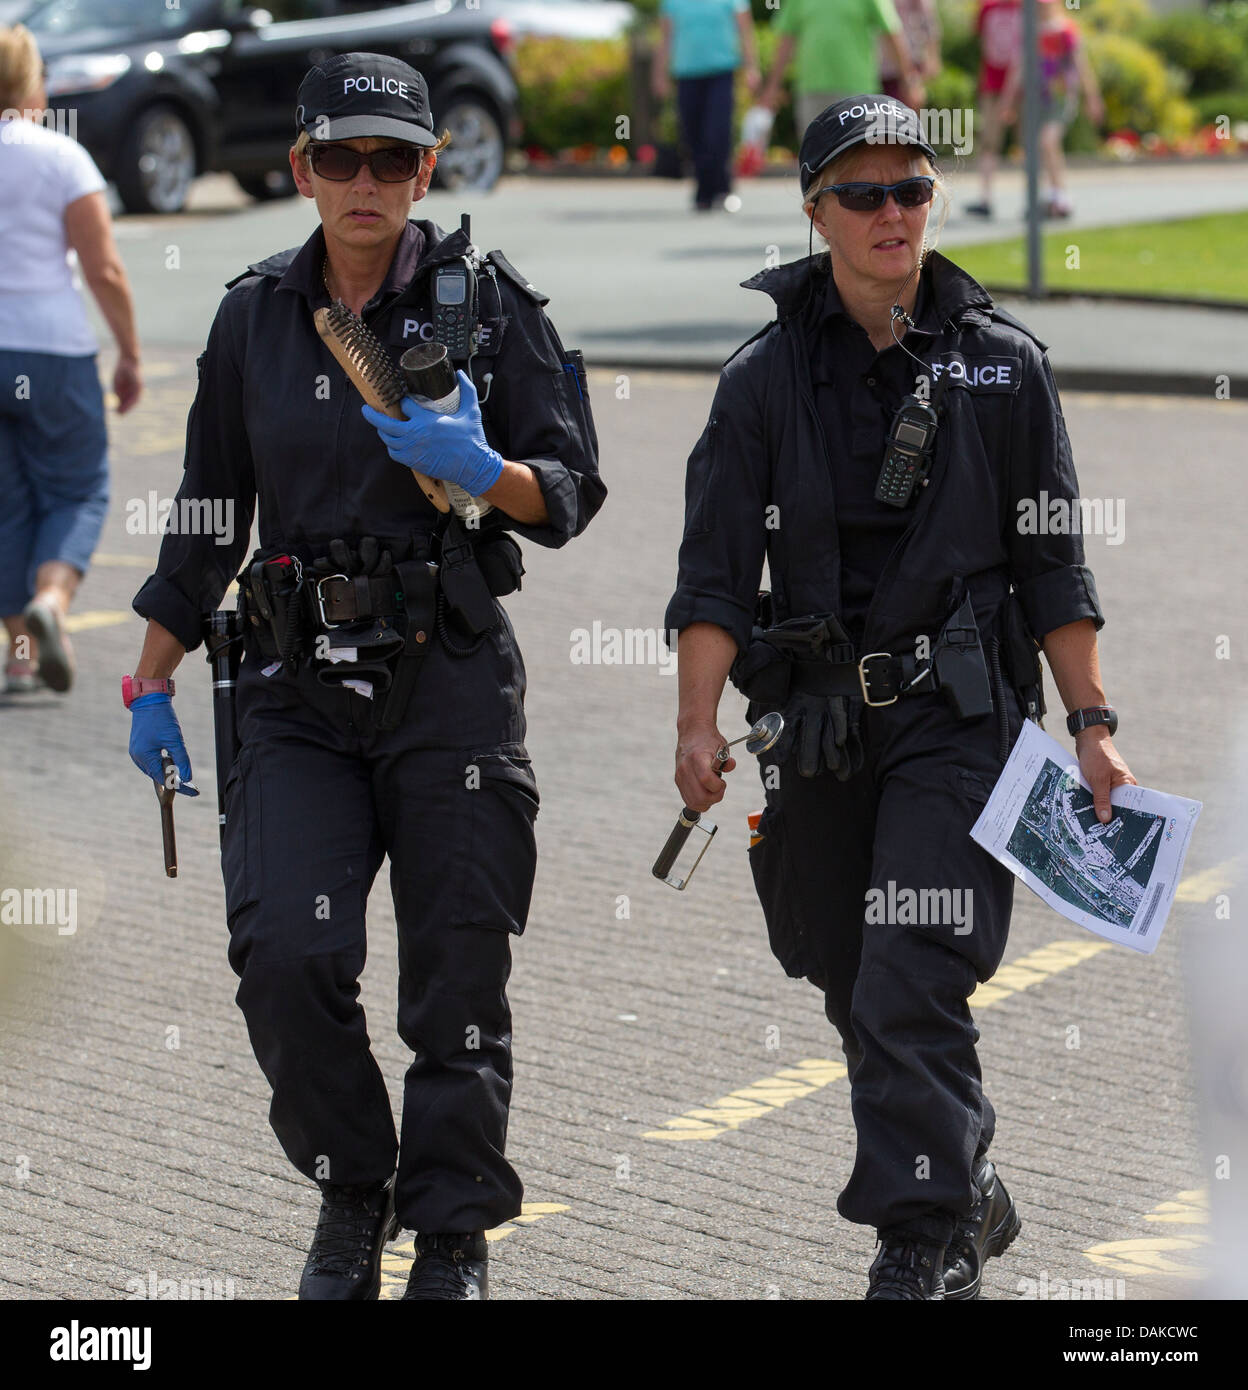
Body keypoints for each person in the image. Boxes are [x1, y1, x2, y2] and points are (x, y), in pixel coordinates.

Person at [126, 52, 604, 1301]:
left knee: (456, 974)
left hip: (444, 672)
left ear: (426, 170)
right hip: (291, 687)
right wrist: (148, 676)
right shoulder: (251, 319)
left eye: (394, 159)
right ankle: (355, 1183)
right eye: (339, 157)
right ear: (299, 169)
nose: (366, 182)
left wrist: (484, 466)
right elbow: (210, 506)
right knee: (284, 955)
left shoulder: (487, 308)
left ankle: (451, 1233)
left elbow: (569, 490)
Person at [665, 95, 1135, 1299]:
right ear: (815, 209)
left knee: (909, 966)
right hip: (816, 724)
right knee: (844, 970)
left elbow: (1053, 563)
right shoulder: (762, 380)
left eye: (912, 189)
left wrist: (1091, 725)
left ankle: (921, 1239)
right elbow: (714, 574)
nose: (891, 213)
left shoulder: (1005, 366)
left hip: (961, 722)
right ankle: (965, 1175)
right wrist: (693, 727)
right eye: (863, 192)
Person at [0, 24, 141, 695]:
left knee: (6, 505)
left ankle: (21, 656)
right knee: (76, 488)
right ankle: (51, 603)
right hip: (52, 348)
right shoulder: (60, 157)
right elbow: (104, 268)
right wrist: (130, 355)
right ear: (33, 86)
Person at [652, 0, 760, 212]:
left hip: (721, 73)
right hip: (686, 75)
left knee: (717, 131)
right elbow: (665, 37)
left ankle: (723, 189)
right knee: (691, 133)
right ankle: (703, 190)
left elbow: (745, 30)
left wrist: (751, 67)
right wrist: (659, 73)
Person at [999, 0, 1103, 218]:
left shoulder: (1065, 31)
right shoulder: (1029, 33)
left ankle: (1060, 195)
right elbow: (1018, 67)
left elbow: (1080, 65)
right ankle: (1042, 197)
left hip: (1060, 97)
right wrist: (1007, 100)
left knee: (1048, 141)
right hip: (1034, 100)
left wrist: (1092, 98)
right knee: (1032, 150)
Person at [758, 0, 924, 135]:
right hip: (811, 91)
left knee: (859, 160)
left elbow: (891, 33)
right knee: (815, 162)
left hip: (857, 92)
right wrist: (772, 87)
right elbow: (787, 40)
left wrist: (909, 81)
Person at [964, 0, 1021, 218]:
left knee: (1029, 144)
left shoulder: (1029, 7)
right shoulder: (987, 8)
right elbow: (984, 45)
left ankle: (1037, 198)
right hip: (993, 85)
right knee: (989, 141)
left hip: (1024, 88)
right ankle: (985, 199)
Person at [879, 0, 941, 104]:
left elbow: (928, 19)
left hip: (910, 61)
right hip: (881, 65)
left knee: (908, 110)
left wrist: (933, 56)